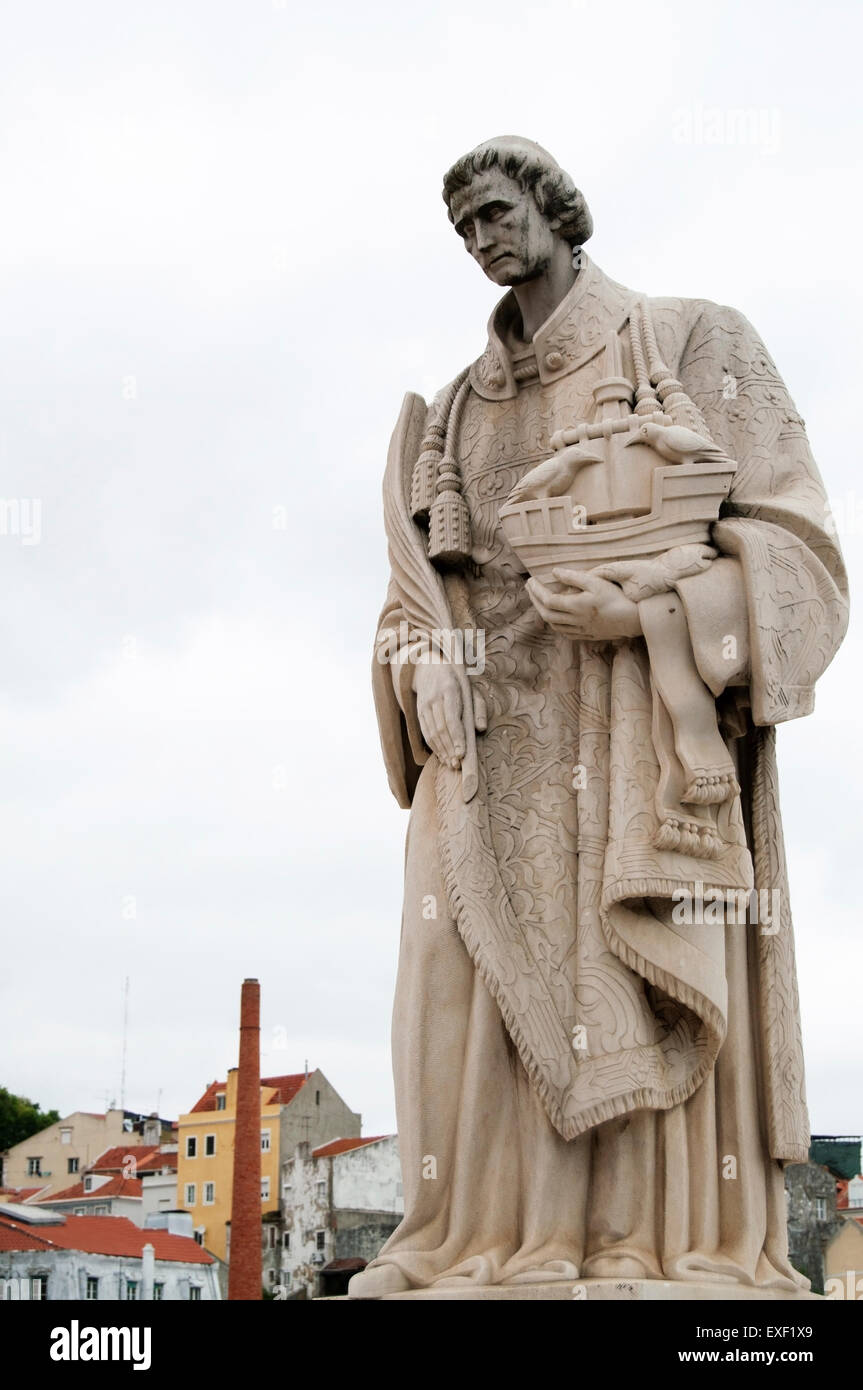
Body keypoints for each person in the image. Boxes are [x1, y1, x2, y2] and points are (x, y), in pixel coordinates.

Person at [349, 136, 848, 1297]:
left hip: (632, 732)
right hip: (483, 745)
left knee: (622, 969)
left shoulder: (686, 338)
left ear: (552, 206)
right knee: (446, 968)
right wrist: (418, 660)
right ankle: (470, 1240)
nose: (482, 238)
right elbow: (412, 595)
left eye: (496, 210)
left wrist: (655, 615)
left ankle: (646, 1244)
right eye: (462, 225)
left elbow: (800, 553)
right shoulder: (454, 415)